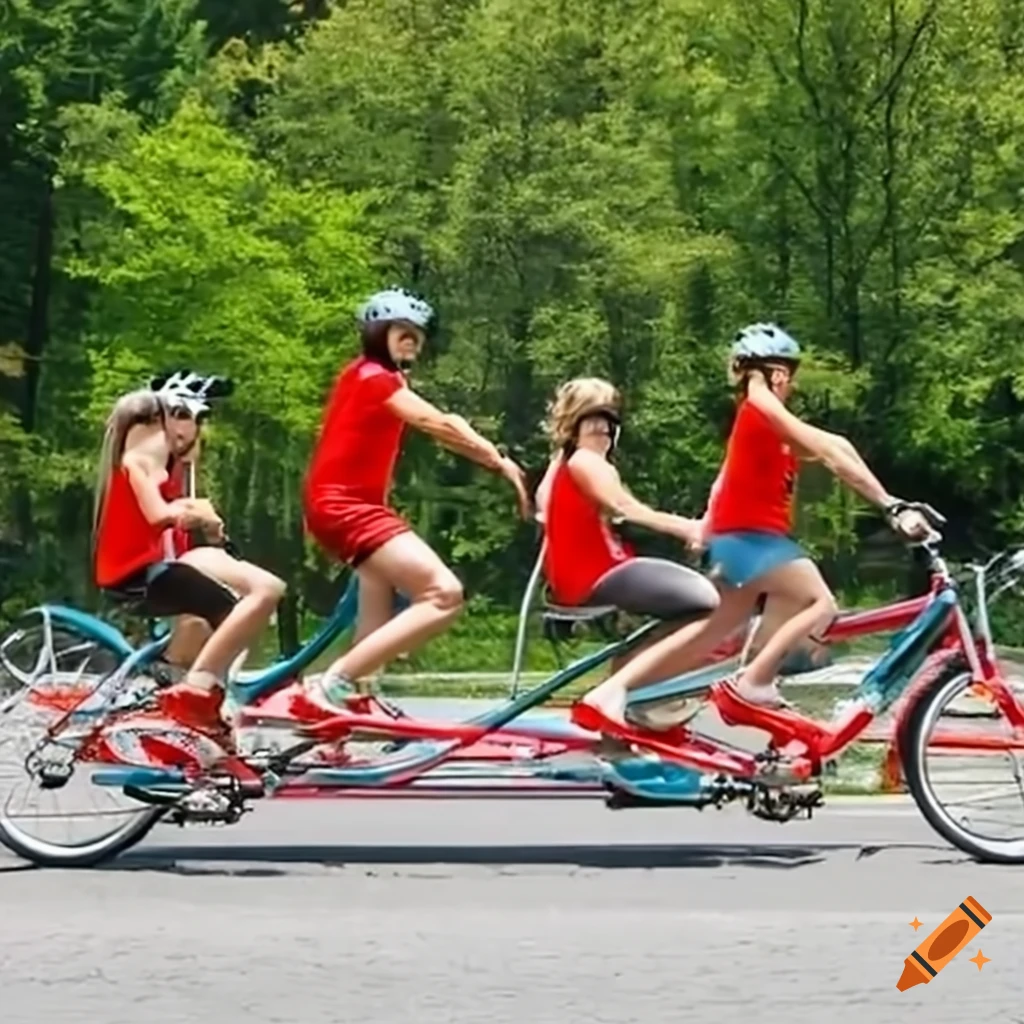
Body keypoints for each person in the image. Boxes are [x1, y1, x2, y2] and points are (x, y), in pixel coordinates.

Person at [569, 322, 932, 731]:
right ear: (777, 373)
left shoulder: (762, 418)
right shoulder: (761, 403)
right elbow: (829, 452)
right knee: (820, 603)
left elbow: (832, 447)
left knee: (706, 637)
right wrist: (890, 505)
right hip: (753, 540)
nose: (790, 385)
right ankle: (754, 684)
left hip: (738, 541)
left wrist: (707, 525)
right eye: (789, 375)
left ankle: (613, 692)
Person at [303, 286, 531, 711]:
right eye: (400, 331)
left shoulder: (374, 377)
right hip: (346, 508)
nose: (411, 340)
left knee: (378, 599)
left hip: (345, 507)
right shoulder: (374, 376)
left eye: (417, 334)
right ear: (376, 334)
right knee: (442, 593)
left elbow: (447, 423)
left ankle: (345, 713)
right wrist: (498, 461)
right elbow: (438, 423)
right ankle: (330, 687)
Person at [92, 372, 286, 744]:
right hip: (136, 573)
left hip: (166, 566)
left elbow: (175, 514)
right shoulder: (140, 461)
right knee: (243, 605)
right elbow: (157, 515)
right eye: (181, 416)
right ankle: (197, 691)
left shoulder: (170, 465)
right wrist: (197, 513)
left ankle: (195, 693)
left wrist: (204, 518)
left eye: (197, 420)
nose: (191, 429)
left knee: (250, 602)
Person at [536, 377, 721, 729]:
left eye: (609, 421)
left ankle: (622, 704)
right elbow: (623, 506)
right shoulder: (588, 462)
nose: (604, 428)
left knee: (665, 617)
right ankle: (620, 692)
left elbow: (544, 502)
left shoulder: (565, 463)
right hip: (600, 574)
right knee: (708, 603)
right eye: (593, 420)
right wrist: (688, 528)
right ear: (575, 426)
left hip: (579, 580)